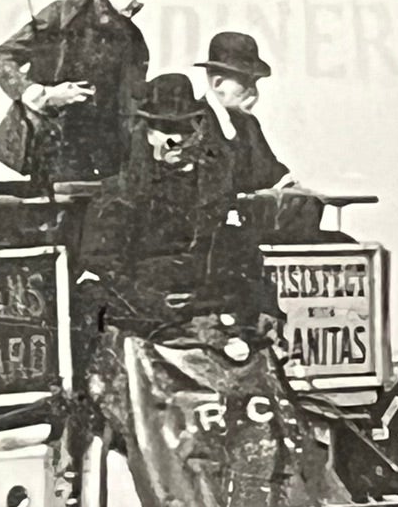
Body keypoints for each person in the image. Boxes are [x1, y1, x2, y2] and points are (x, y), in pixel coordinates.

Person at [76, 73, 278, 346]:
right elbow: (103, 266)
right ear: (147, 133)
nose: (178, 139)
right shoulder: (118, 194)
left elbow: (238, 255)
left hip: (204, 307)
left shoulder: (214, 189)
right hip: (141, 309)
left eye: (186, 129)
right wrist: (151, 301)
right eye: (166, 130)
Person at [0, 0, 159, 185]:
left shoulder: (134, 40)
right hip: (54, 143)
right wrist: (42, 94)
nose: (142, 1)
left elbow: (133, 101)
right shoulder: (63, 15)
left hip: (105, 152)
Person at [196, 31, 290, 194]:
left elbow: (272, 174)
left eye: (254, 83)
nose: (253, 90)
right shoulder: (193, 119)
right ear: (218, 83)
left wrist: (288, 185)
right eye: (246, 82)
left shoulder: (249, 124)